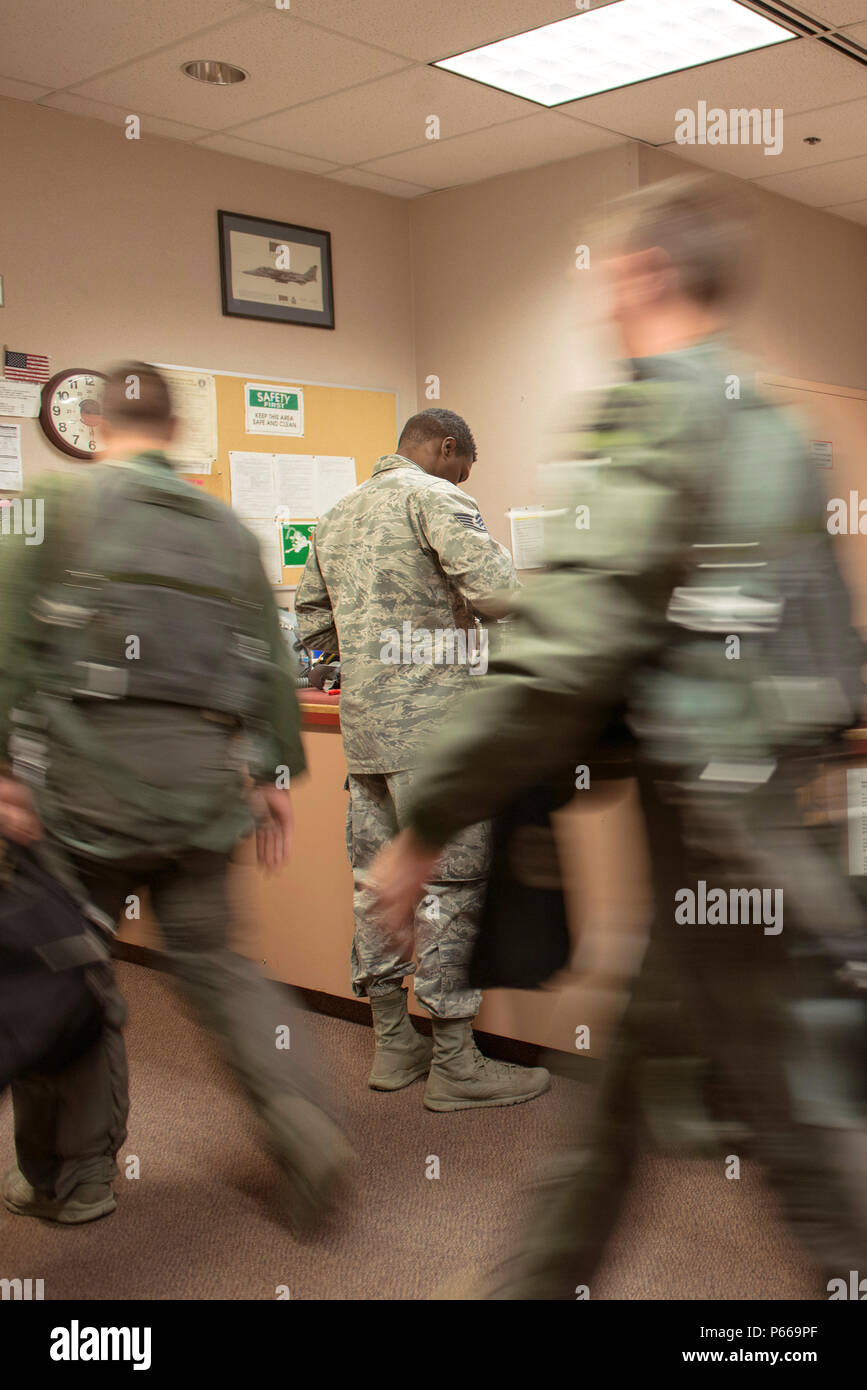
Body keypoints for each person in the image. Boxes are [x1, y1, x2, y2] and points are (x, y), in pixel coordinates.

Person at [366, 178, 867, 1296]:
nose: (597, 294)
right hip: (768, 817)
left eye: (602, 272)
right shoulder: (777, 426)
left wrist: (424, 825)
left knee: (811, 1131)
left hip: (715, 830)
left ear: (644, 274)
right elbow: (834, 658)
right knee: (637, 1089)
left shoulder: (652, 410)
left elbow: (561, 652)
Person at [0, 362, 351, 1231]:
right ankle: (306, 1132)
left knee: (72, 970)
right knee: (224, 970)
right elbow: (269, 665)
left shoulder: (56, 511)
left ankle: (74, 1179)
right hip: (200, 791)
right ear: (174, 425)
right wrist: (272, 776)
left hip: (84, 796)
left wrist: (5, 774)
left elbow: (5, 650)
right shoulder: (230, 531)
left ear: (93, 421)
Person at [295, 408, 549, 1110]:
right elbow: (500, 597)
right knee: (450, 888)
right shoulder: (437, 497)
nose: (469, 474)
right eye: (468, 461)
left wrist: (370, 675)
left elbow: (313, 636)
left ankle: (391, 1045)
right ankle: (455, 1063)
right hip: (438, 741)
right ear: (445, 447)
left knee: (378, 883)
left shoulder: (336, 514)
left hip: (367, 739)